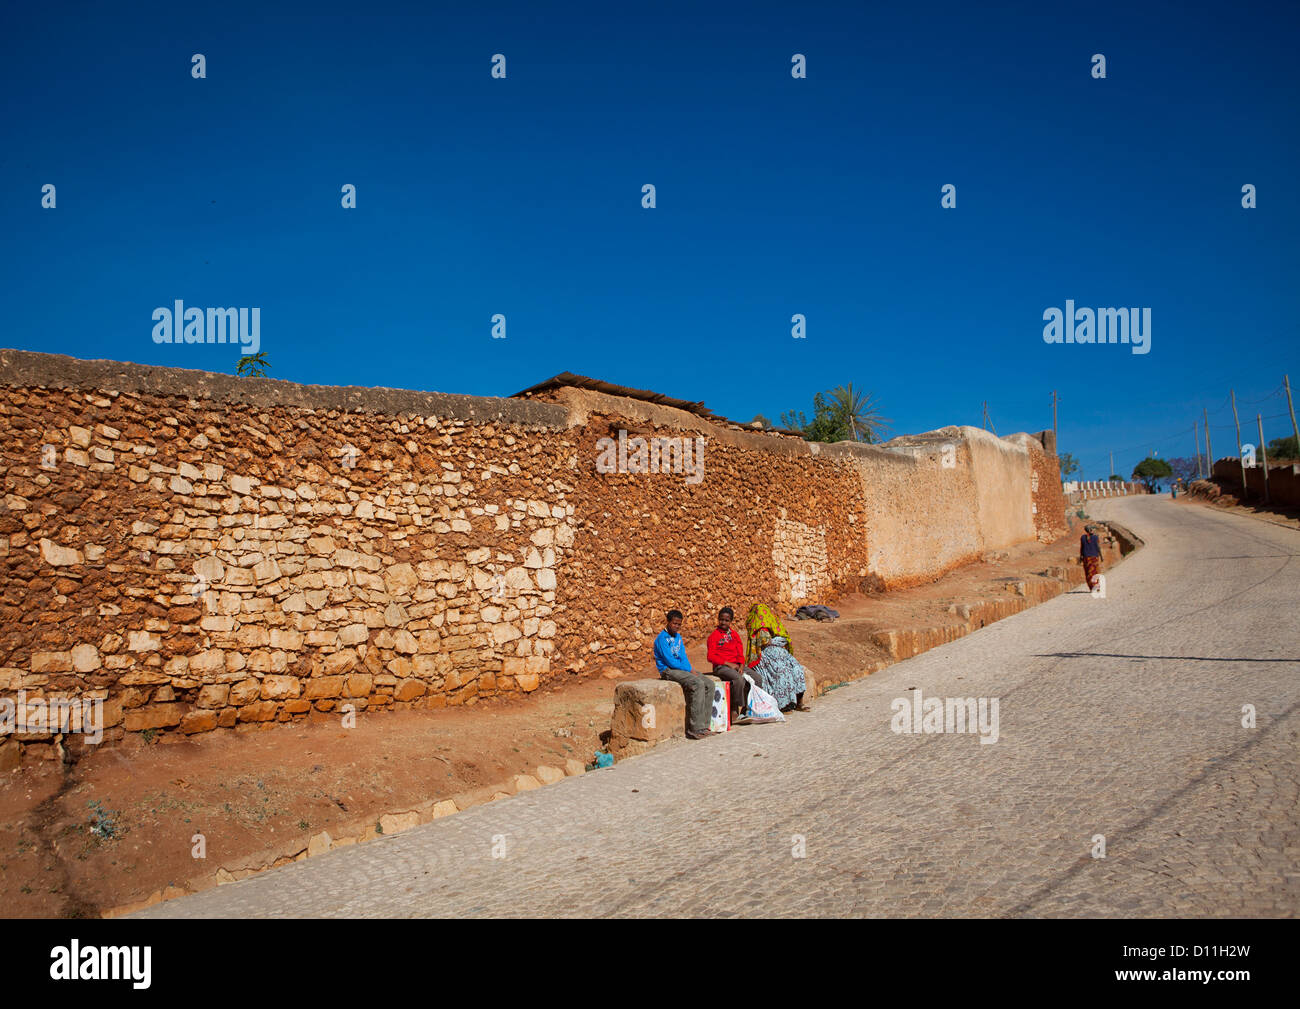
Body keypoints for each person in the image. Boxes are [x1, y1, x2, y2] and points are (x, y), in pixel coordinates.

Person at [653, 609, 716, 739]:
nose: (676, 626)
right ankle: (695, 728)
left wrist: (689, 668)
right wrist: (689, 670)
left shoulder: (678, 637)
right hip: (668, 670)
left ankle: (704, 725)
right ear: (668, 622)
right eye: (674, 623)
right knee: (697, 683)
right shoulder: (661, 639)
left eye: (679, 624)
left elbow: (683, 656)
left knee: (709, 684)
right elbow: (669, 660)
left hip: (682, 668)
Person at [744, 603, 809, 712]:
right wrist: (773, 641)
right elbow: (763, 642)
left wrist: (774, 641)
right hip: (766, 658)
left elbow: (783, 638)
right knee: (780, 672)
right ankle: (783, 705)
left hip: (783, 655)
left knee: (797, 669)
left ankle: (799, 701)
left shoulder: (774, 623)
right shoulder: (755, 626)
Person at [706, 606, 749, 720]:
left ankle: (748, 708)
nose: (723, 622)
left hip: (736, 665)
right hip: (721, 666)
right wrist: (728, 663)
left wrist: (741, 665)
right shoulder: (714, 636)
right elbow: (710, 657)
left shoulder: (734, 635)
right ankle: (735, 708)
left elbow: (740, 653)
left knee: (757, 677)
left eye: (726, 620)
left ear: (731, 621)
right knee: (738, 679)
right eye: (721, 619)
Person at [1080, 524, 1102, 590]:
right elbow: (1098, 547)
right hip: (1094, 557)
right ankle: (1096, 586)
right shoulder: (1095, 537)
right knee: (1095, 571)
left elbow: (1082, 548)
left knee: (1088, 572)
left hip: (1086, 558)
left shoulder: (1083, 537)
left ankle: (1092, 587)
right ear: (1091, 530)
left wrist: (1081, 556)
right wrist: (1101, 556)